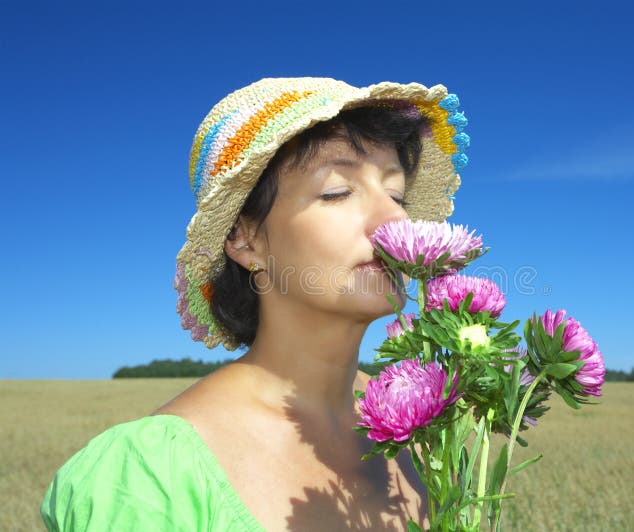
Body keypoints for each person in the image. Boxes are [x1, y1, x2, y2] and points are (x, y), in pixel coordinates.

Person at [40, 77, 469, 531]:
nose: (395, 220)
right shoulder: (148, 476)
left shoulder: (429, 428)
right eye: (337, 192)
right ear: (242, 239)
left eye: (397, 196)